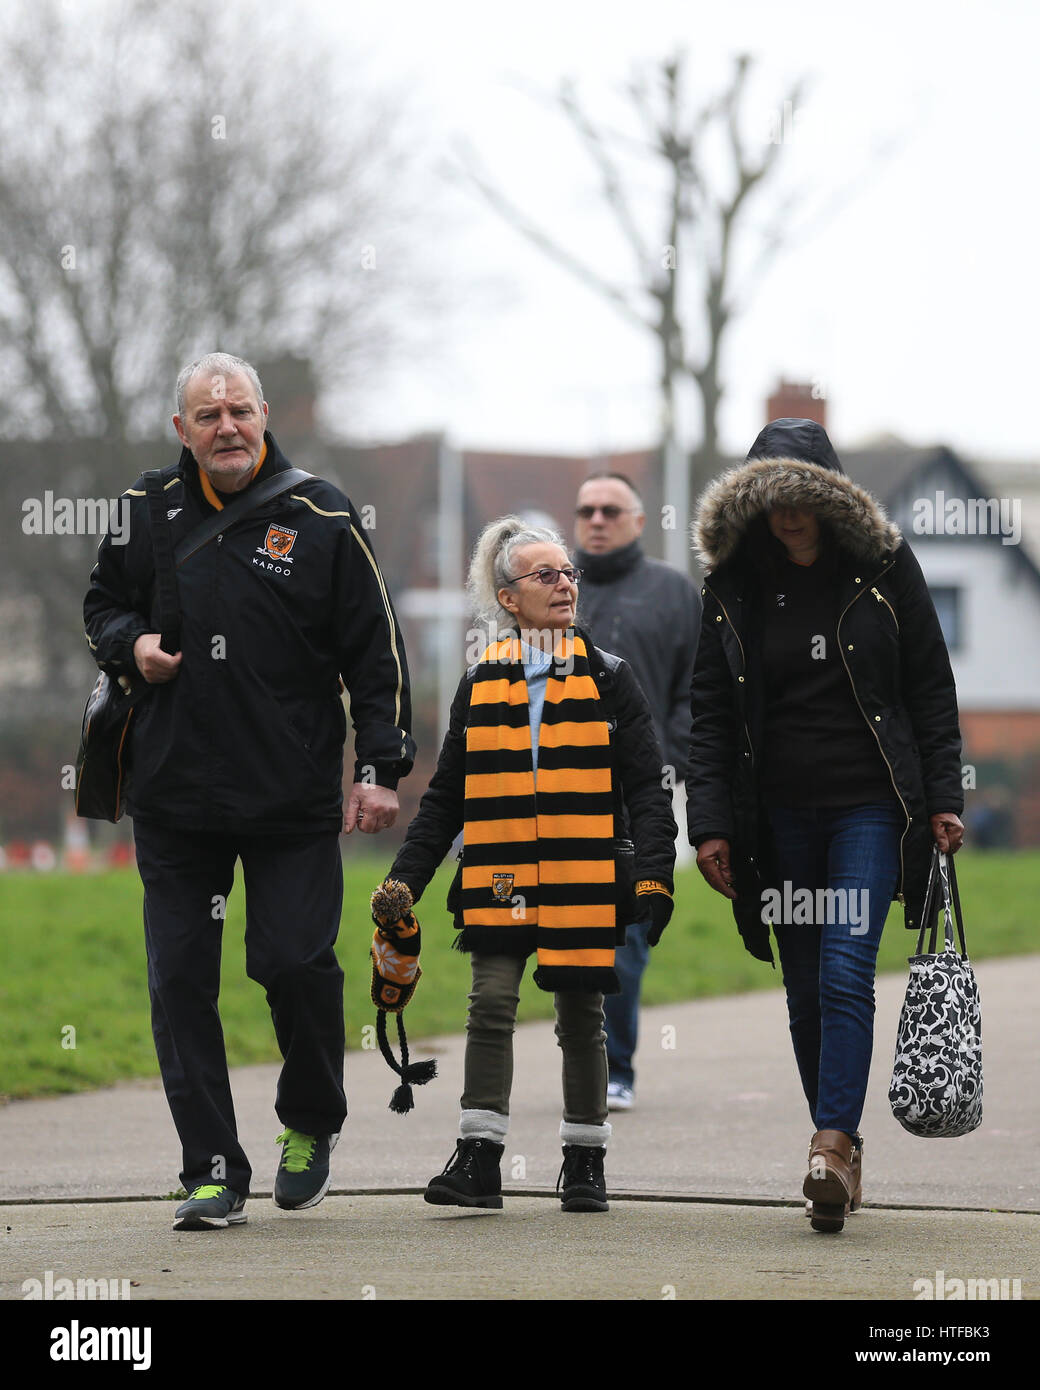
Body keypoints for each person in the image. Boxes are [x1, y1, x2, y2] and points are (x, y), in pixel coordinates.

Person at [83, 352, 415, 1230]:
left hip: (290, 792)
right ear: (181, 429)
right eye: (207, 414)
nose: (226, 427)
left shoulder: (324, 514)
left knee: (294, 963)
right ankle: (211, 1167)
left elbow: (375, 654)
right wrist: (134, 646)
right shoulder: (145, 510)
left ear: (264, 414)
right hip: (173, 792)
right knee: (178, 980)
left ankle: (309, 1122)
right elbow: (101, 608)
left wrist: (379, 768)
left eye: (239, 410)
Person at [686, 418, 964, 1232]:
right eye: (770, 502)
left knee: (846, 972)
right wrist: (710, 825)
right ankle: (836, 1151)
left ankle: (831, 1143)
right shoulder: (734, 585)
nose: (787, 516)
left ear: (831, 500)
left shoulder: (883, 568)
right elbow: (708, 712)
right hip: (777, 820)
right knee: (804, 990)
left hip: (870, 807)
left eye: (801, 499)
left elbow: (930, 691)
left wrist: (943, 795)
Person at [382, 517, 677, 1212]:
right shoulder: (479, 683)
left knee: (581, 1015)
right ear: (508, 598)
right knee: (490, 1004)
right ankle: (480, 1160)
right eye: (546, 575)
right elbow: (445, 795)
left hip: (585, 876)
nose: (565, 585)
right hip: (498, 876)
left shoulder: (611, 680)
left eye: (569, 573)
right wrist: (406, 878)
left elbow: (646, 786)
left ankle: (585, 1164)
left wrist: (654, 872)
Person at [573, 472, 700, 1110]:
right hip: (559, 789)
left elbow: (695, 690)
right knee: (562, 932)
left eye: (611, 510)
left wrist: (668, 759)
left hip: (640, 794)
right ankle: (581, 1055)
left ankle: (615, 1067)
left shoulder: (673, 593)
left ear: (639, 521)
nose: (597, 519)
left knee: (626, 935)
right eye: (586, 510)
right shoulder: (548, 588)